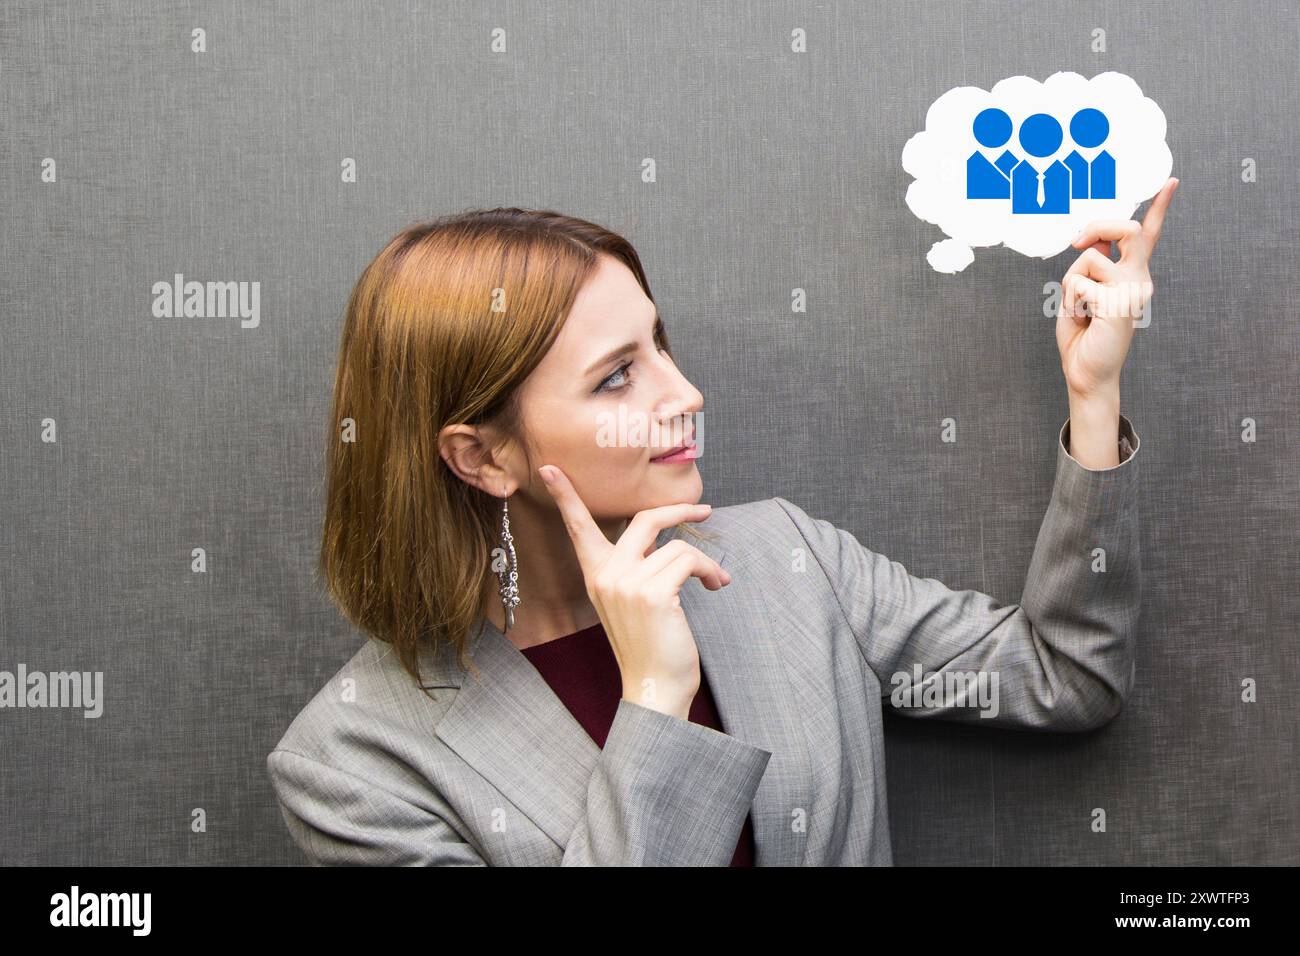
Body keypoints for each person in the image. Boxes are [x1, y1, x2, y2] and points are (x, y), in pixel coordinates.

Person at [266, 181, 1179, 865]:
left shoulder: (785, 560)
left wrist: (1093, 399)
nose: (686, 396)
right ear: (482, 457)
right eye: (617, 375)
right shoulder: (351, 764)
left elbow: (1066, 679)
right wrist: (657, 700)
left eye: (659, 345)